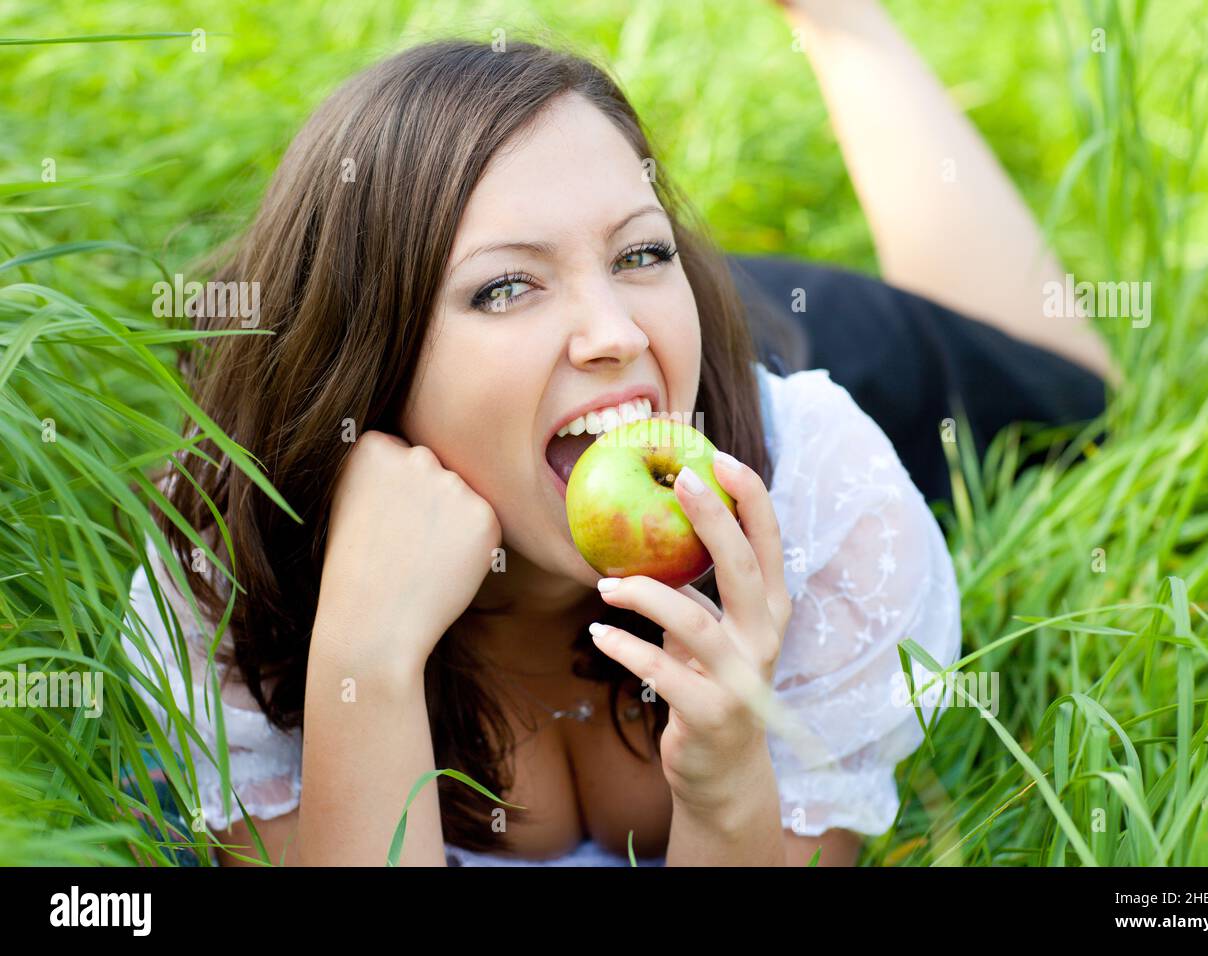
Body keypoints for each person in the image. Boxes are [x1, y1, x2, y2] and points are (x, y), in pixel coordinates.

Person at [120, 1, 1105, 867]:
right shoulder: (237, 573)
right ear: (367, 359)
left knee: (1075, 395)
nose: (617, 330)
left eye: (644, 249)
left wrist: (730, 775)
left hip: (776, 351)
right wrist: (364, 664)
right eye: (504, 284)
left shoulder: (815, 499)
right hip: (595, 412)